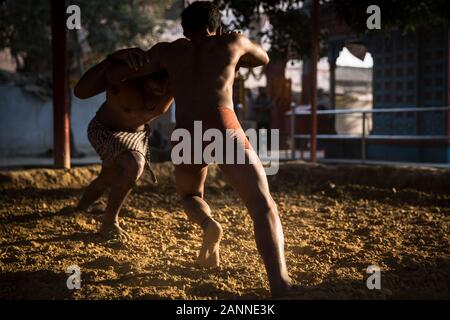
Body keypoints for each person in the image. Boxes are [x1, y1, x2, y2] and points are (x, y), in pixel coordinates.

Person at [105, 1, 306, 298]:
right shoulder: (232, 41)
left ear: (185, 30)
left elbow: (124, 68)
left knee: (190, 195)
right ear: (217, 26)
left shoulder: (168, 50)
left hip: (187, 132)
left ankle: (209, 223)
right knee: (262, 205)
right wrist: (233, 48)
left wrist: (119, 55)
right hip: (221, 124)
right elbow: (263, 58)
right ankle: (280, 283)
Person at [73, 48, 173, 240]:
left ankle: (80, 208)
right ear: (143, 76)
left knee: (107, 178)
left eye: (166, 81)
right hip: (104, 129)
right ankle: (109, 222)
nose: (163, 87)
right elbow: (80, 91)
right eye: (156, 80)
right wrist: (112, 58)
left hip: (136, 135)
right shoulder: (123, 78)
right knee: (133, 165)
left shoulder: (173, 84)